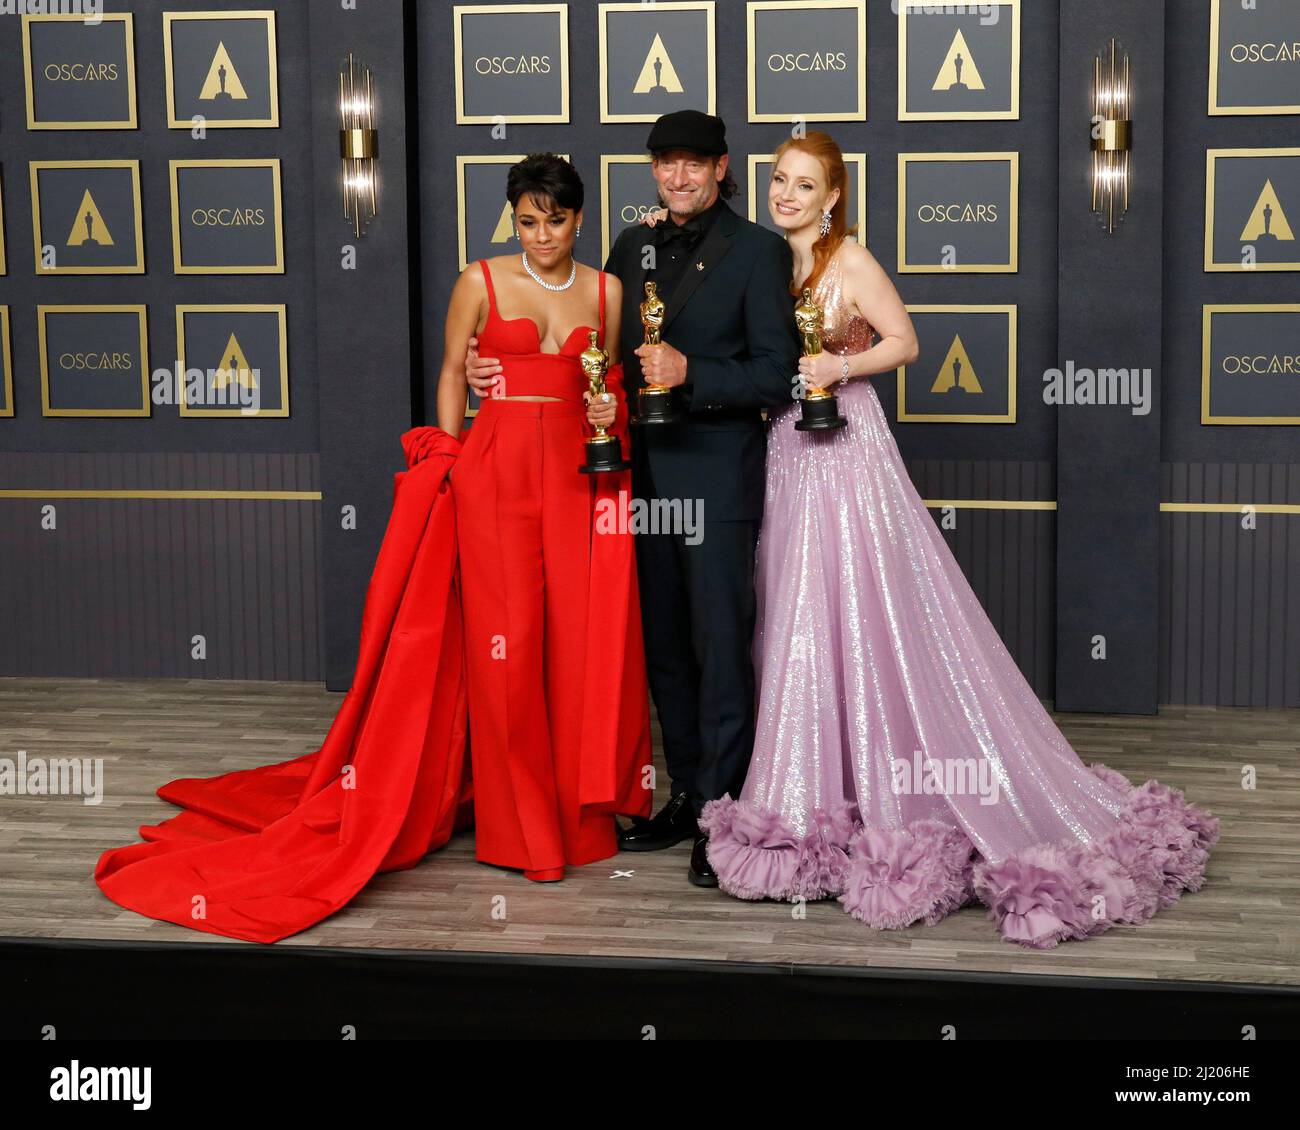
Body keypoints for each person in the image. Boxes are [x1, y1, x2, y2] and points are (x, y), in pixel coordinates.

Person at [687, 131, 1220, 948]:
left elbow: (906, 341)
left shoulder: (850, 261)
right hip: (785, 452)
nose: (785, 194)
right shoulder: (764, 263)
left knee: (872, 610)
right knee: (795, 617)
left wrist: (840, 368)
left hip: (847, 449)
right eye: (778, 180)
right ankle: (807, 792)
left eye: (804, 185)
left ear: (833, 196)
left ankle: (900, 781)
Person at [467, 111, 802, 886]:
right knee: (664, 649)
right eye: (665, 166)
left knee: (721, 649)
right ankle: (686, 793)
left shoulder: (756, 251)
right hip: (631, 480)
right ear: (653, 172)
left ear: (722, 168)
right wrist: (493, 372)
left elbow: (776, 372)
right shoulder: (634, 246)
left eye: (693, 165)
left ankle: (726, 818)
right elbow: (589, 356)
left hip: (716, 480)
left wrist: (693, 376)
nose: (678, 178)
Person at [438, 153, 652, 882]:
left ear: (579, 218)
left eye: (554, 221)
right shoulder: (481, 280)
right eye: (527, 221)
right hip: (494, 477)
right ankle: (520, 827)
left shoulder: (608, 292)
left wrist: (610, 408)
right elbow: (449, 372)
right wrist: (445, 459)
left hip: (576, 481)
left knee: (577, 646)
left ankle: (577, 818)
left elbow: (612, 385)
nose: (540, 235)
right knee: (509, 649)